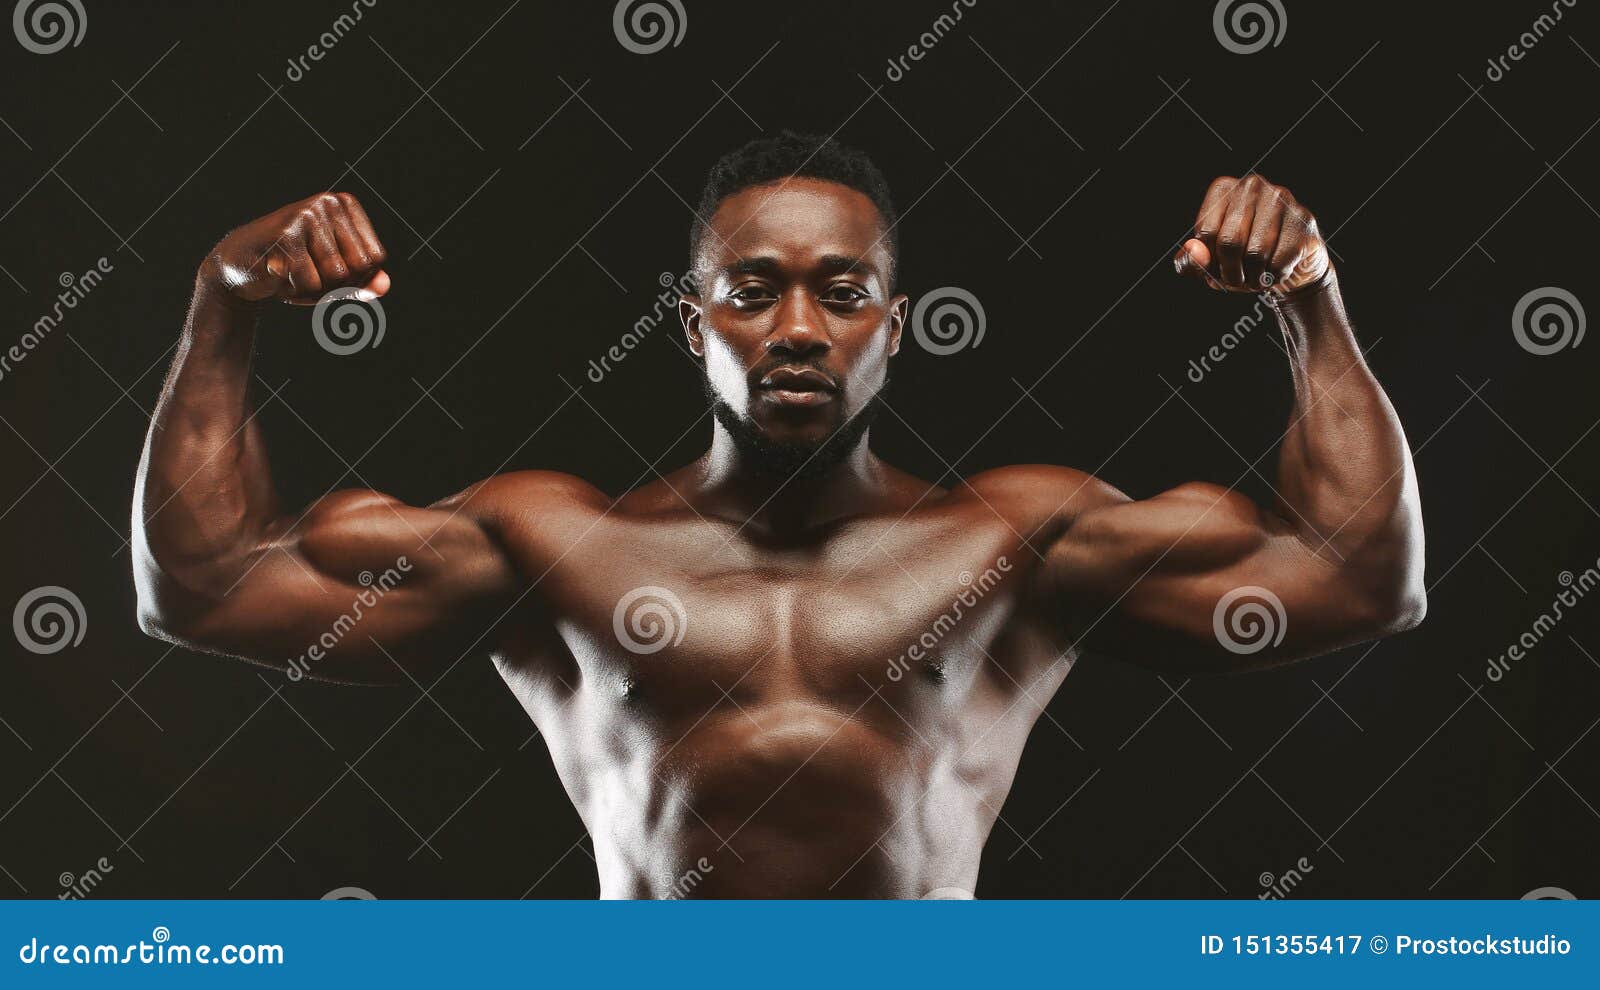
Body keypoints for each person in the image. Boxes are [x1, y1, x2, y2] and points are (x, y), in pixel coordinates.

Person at [133, 132, 1425, 897]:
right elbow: (206, 587)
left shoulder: (1013, 545)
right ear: (692, 327)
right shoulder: (555, 545)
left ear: (895, 328)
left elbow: (1360, 575)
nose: (798, 329)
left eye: (842, 291)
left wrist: (1307, 297)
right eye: (753, 290)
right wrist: (221, 305)